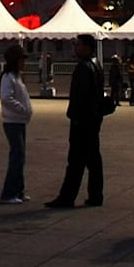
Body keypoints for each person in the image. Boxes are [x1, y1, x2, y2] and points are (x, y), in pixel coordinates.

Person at [45, 33, 108, 208]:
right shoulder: (96, 65)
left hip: (83, 120)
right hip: (93, 119)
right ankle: (95, 195)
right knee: (93, 159)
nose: (76, 48)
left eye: (78, 45)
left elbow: (80, 96)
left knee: (76, 161)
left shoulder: (84, 68)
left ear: (87, 47)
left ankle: (67, 197)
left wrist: (76, 117)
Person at [0, 44, 33, 203]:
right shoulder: (8, 77)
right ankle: (9, 193)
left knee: (20, 156)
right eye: (21, 59)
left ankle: (18, 190)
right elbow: (6, 97)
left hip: (19, 120)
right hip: (13, 120)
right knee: (17, 156)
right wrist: (22, 109)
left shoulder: (16, 76)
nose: (23, 62)